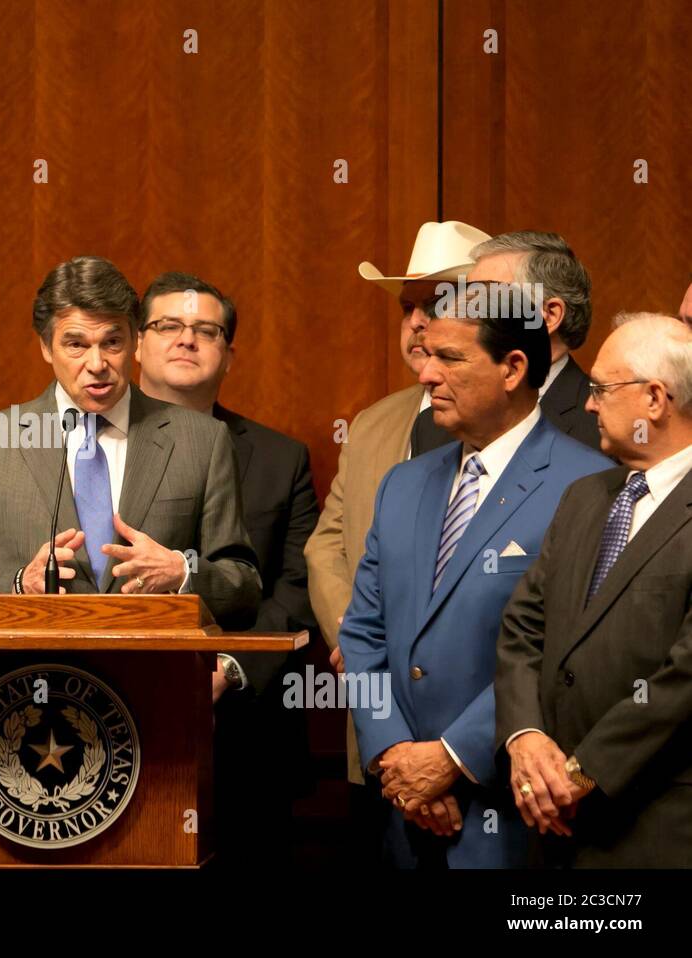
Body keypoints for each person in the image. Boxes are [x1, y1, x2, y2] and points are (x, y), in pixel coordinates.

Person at [337, 280, 611, 867]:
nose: (426, 375)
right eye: (426, 354)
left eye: (449, 358)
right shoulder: (403, 483)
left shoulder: (590, 488)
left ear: (513, 368)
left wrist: (451, 758)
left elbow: (569, 654)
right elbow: (361, 634)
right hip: (401, 815)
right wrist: (394, 757)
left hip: (510, 819)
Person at [0, 255, 259, 631]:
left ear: (135, 341)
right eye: (76, 345)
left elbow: (244, 590)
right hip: (29, 681)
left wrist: (183, 572)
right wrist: (19, 585)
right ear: (47, 348)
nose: (97, 363)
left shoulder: (202, 441)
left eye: (112, 342)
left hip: (156, 680)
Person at [305, 220, 490, 860]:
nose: (416, 322)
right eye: (408, 306)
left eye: (435, 304)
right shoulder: (374, 422)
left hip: (479, 738)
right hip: (375, 721)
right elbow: (326, 546)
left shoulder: (526, 428)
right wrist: (353, 641)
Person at [135, 270, 318, 865]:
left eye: (205, 330)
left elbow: (295, 587)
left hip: (245, 738)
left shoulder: (281, 459)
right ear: (137, 343)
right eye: (168, 326)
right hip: (101, 720)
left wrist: (231, 667)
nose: (187, 339)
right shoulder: (80, 448)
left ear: (228, 355)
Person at [497, 313, 692, 867]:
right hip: (551, 825)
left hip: (655, 827)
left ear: (655, 399)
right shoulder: (585, 497)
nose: (587, 403)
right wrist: (525, 736)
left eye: (602, 389)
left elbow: (684, 678)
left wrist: (583, 772)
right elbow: (521, 629)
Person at [467, 231, 601, 449]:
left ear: (548, 315)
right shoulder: (434, 422)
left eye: (489, 299)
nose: (466, 315)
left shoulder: (600, 422)